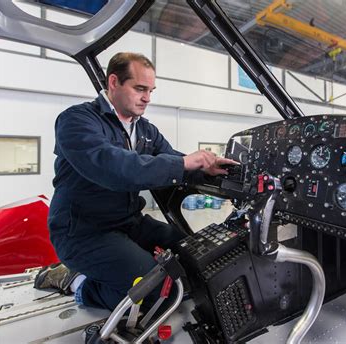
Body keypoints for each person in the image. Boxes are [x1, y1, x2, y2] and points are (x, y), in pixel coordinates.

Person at [34, 52, 237, 311]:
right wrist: (185, 163)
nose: (147, 98)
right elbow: (113, 167)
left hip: (129, 223)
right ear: (114, 82)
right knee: (158, 295)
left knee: (195, 256)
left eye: (151, 90)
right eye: (140, 89)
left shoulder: (145, 130)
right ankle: (77, 282)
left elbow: (175, 162)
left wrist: (210, 171)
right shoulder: (77, 121)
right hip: (84, 232)